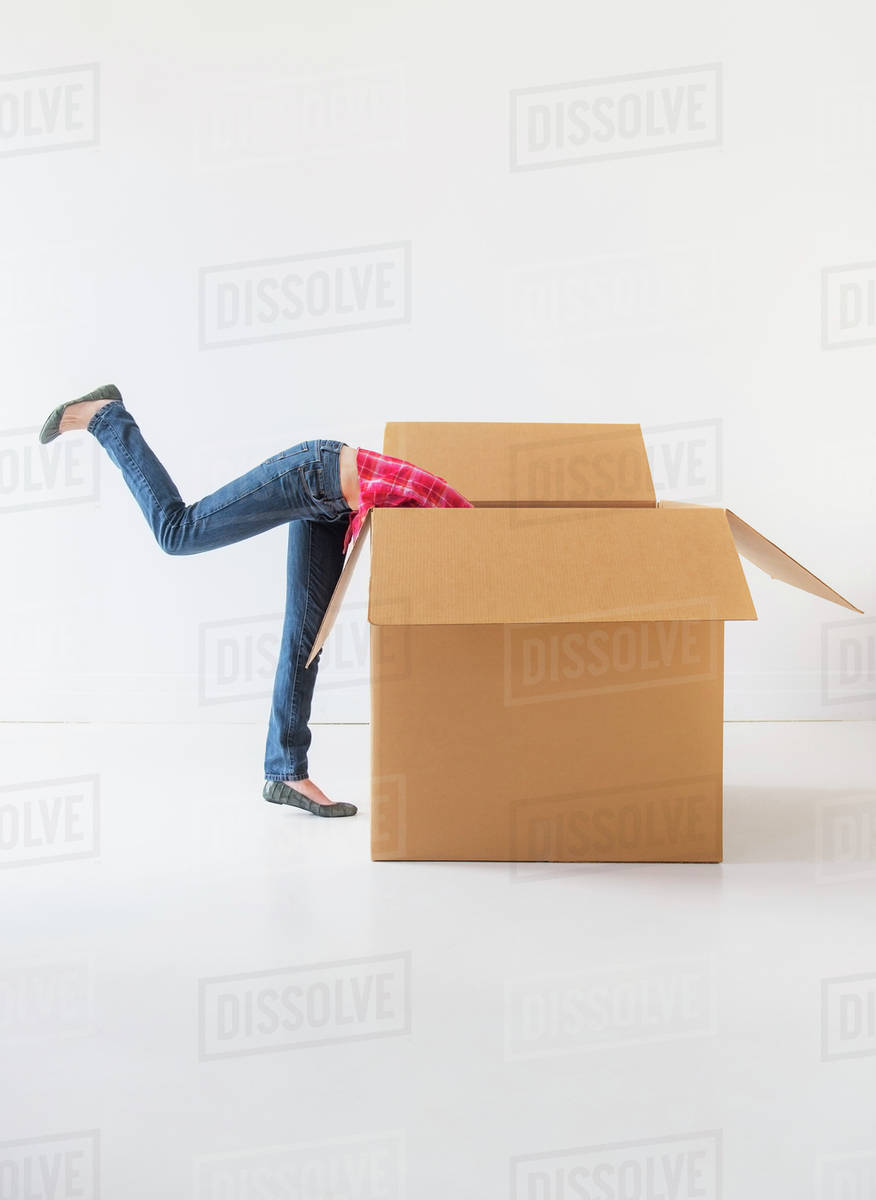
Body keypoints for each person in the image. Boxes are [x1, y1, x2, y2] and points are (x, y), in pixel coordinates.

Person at [39, 384, 473, 819]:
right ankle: (108, 418)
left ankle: (286, 772)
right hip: (313, 474)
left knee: (307, 640)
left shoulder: (465, 539)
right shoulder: (468, 532)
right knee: (178, 531)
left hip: (333, 505)